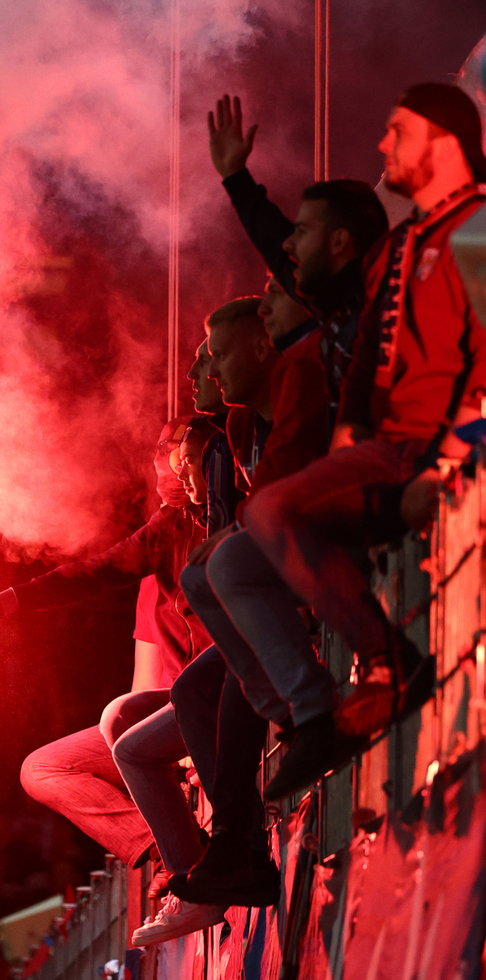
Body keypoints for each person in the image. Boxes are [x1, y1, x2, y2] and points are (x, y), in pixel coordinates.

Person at [241, 82, 486, 800]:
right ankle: (309, 715)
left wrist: (447, 463)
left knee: (268, 515)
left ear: (441, 140)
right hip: (386, 453)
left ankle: (387, 665)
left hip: (432, 451)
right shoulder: (406, 243)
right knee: (237, 562)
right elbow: (362, 370)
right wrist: (349, 440)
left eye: (396, 131)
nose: (383, 145)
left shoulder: (476, 229)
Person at [119, 292, 325, 945]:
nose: (201, 371)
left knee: (219, 593)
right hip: (264, 601)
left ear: (262, 347)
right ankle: (228, 850)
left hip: (314, 576)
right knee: (175, 694)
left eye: (213, 355)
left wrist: (236, 182)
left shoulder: (301, 395)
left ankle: (230, 846)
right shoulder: (237, 433)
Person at [0, 413, 217, 869]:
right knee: (43, 768)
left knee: (122, 721)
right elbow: (91, 574)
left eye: (178, 457)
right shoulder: (165, 532)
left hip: (221, 697)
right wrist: (9, 600)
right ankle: (170, 850)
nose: (164, 468)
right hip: (180, 709)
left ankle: (187, 860)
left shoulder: (235, 527)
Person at [208, 93, 389, 418]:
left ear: (338, 242)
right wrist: (236, 178)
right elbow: (278, 249)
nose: (290, 245)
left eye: (302, 233)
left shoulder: (381, 314)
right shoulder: (342, 308)